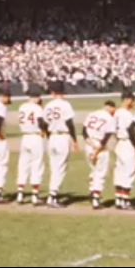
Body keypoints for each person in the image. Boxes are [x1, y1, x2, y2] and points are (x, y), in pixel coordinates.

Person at [43, 81, 78, 209]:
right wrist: (75, 140)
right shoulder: (65, 104)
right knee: (60, 168)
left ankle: (51, 194)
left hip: (52, 137)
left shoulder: (48, 105)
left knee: (54, 168)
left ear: (52, 92)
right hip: (63, 137)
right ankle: (52, 196)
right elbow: (70, 123)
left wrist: (48, 135)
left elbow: (43, 124)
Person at [83, 100, 117, 210]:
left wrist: (90, 143)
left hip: (89, 144)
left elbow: (84, 131)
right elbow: (107, 136)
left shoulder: (92, 114)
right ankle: (96, 198)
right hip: (99, 145)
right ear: (110, 107)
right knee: (100, 173)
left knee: (93, 170)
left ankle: (92, 191)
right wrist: (97, 149)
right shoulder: (109, 118)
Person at [14, 90, 45, 205]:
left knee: (23, 165)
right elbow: (41, 121)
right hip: (35, 137)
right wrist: (44, 131)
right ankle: (35, 196)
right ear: (37, 97)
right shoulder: (37, 108)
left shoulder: (22, 106)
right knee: (37, 165)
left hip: (25, 137)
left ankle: (20, 194)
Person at [113, 91, 135, 210]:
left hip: (119, 143)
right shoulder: (126, 114)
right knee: (130, 170)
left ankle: (118, 198)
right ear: (127, 100)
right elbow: (131, 130)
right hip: (127, 143)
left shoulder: (116, 112)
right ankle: (125, 200)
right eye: (133, 100)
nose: (133, 102)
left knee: (120, 170)